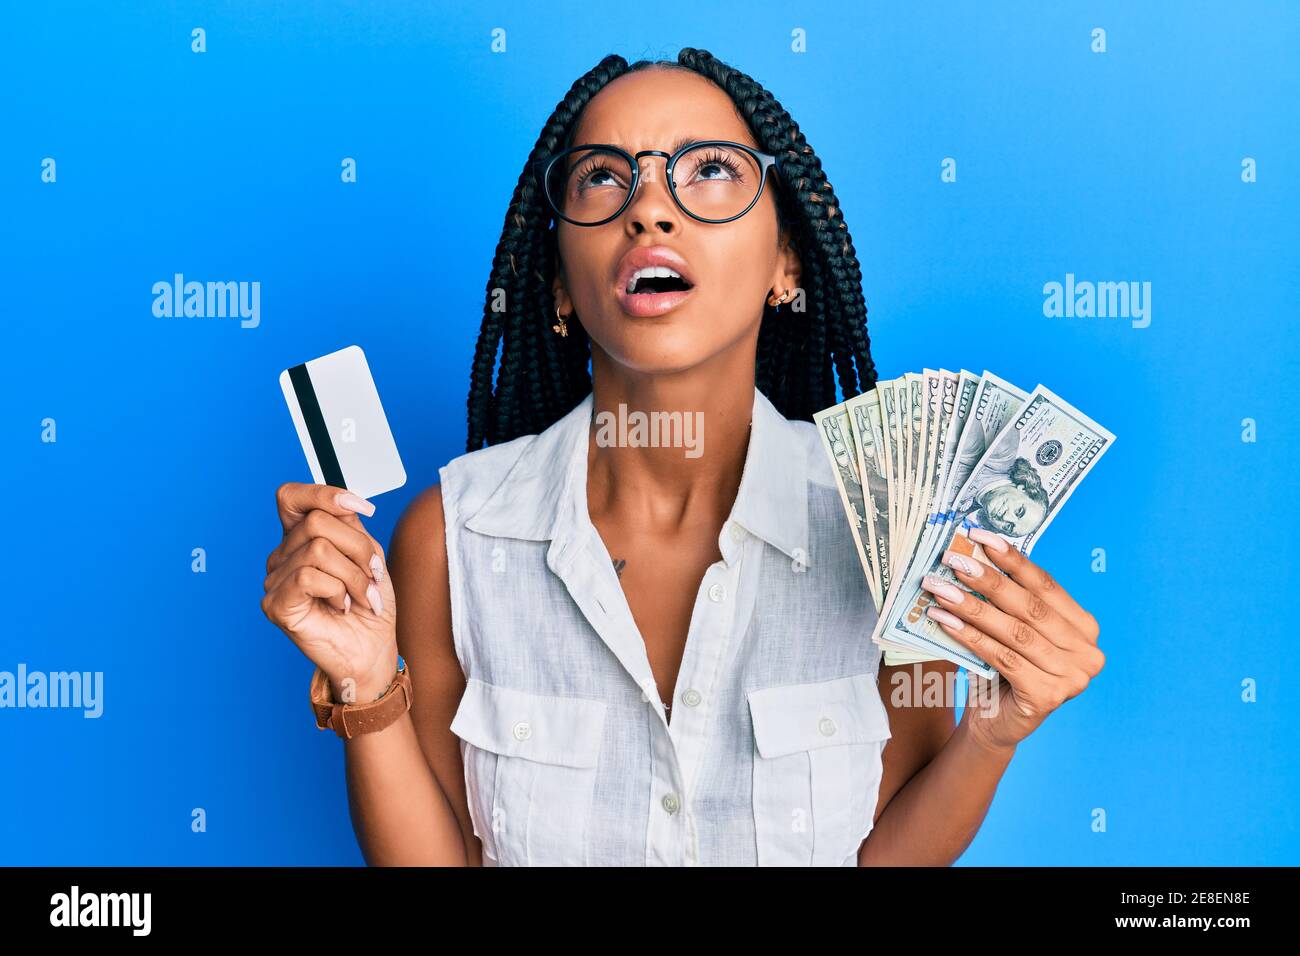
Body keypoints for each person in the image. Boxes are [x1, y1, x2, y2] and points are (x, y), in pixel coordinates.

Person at [261, 48, 1105, 866]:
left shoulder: (892, 528)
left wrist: (993, 733)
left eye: (708, 170)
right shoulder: (450, 538)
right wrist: (366, 686)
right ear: (558, 283)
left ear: (786, 263)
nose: (650, 209)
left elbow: (882, 855)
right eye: (602, 176)